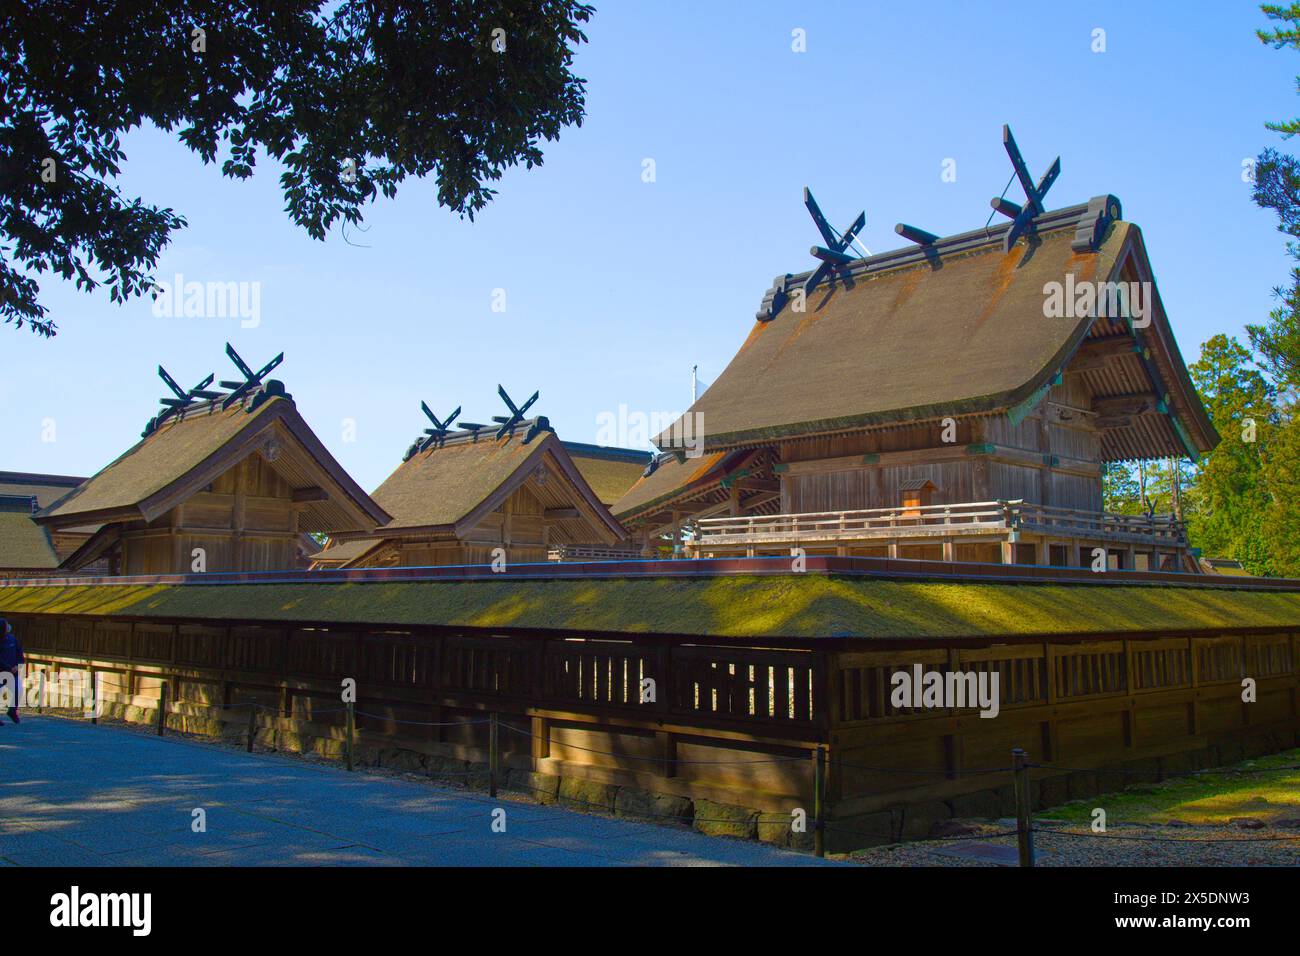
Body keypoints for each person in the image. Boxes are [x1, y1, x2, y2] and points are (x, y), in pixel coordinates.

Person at [0, 618, 24, 724]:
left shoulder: (12, 639)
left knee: (18, 690)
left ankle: (12, 711)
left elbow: (19, 653)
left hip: (13, 672)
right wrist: (8, 668)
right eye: (6, 625)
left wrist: (18, 665)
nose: (8, 627)